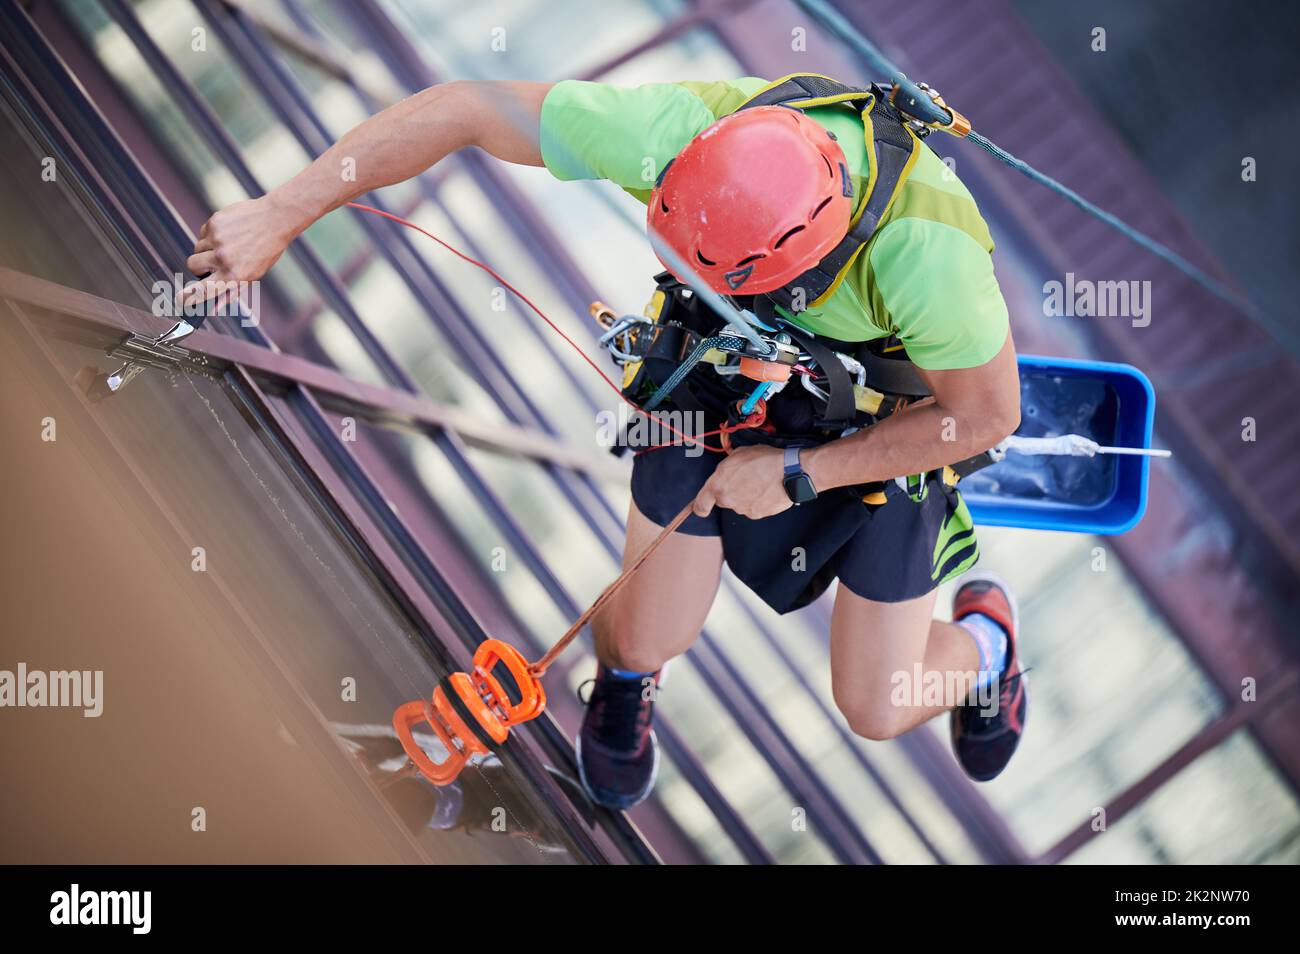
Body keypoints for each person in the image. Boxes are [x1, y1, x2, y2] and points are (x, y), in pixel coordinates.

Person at [184, 75, 1028, 811]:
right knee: (642, 635)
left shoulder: (928, 257)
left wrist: (803, 471)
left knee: (877, 706)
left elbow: (986, 417)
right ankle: (625, 678)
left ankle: (986, 647)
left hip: (881, 414)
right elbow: (465, 109)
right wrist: (280, 212)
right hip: (726, 362)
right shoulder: (680, 132)